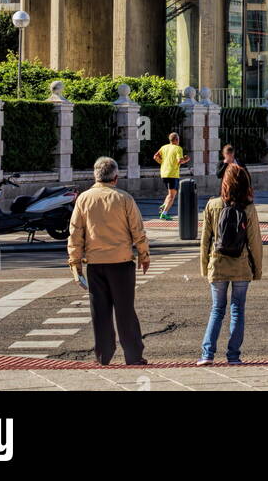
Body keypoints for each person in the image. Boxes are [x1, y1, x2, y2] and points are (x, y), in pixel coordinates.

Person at [67, 155, 150, 367]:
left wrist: (75, 264)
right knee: (125, 311)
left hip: (95, 264)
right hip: (121, 263)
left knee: (100, 312)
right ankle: (133, 355)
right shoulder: (124, 199)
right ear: (115, 177)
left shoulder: (84, 199)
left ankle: (103, 356)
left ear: (96, 176)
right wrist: (143, 255)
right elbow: (137, 230)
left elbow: (75, 234)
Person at [197, 164, 263, 365]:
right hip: (241, 265)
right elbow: (255, 242)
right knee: (237, 309)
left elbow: (205, 239)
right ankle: (233, 356)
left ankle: (207, 354)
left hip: (217, 264)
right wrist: (257, 270)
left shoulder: (212, 205)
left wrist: (204, 266)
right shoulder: (249, 208)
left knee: (217, 309)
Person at [154, 131, 189, 220]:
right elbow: (179, 161)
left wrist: (161, 162)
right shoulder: (178, 148)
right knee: (172, 195)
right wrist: (186, 159)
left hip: (164, 173)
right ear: (176, 140)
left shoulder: (164, 147)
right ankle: (164, 213)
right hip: (172, 174)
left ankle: (163, 206)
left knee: (171, 194)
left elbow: (155, 156)